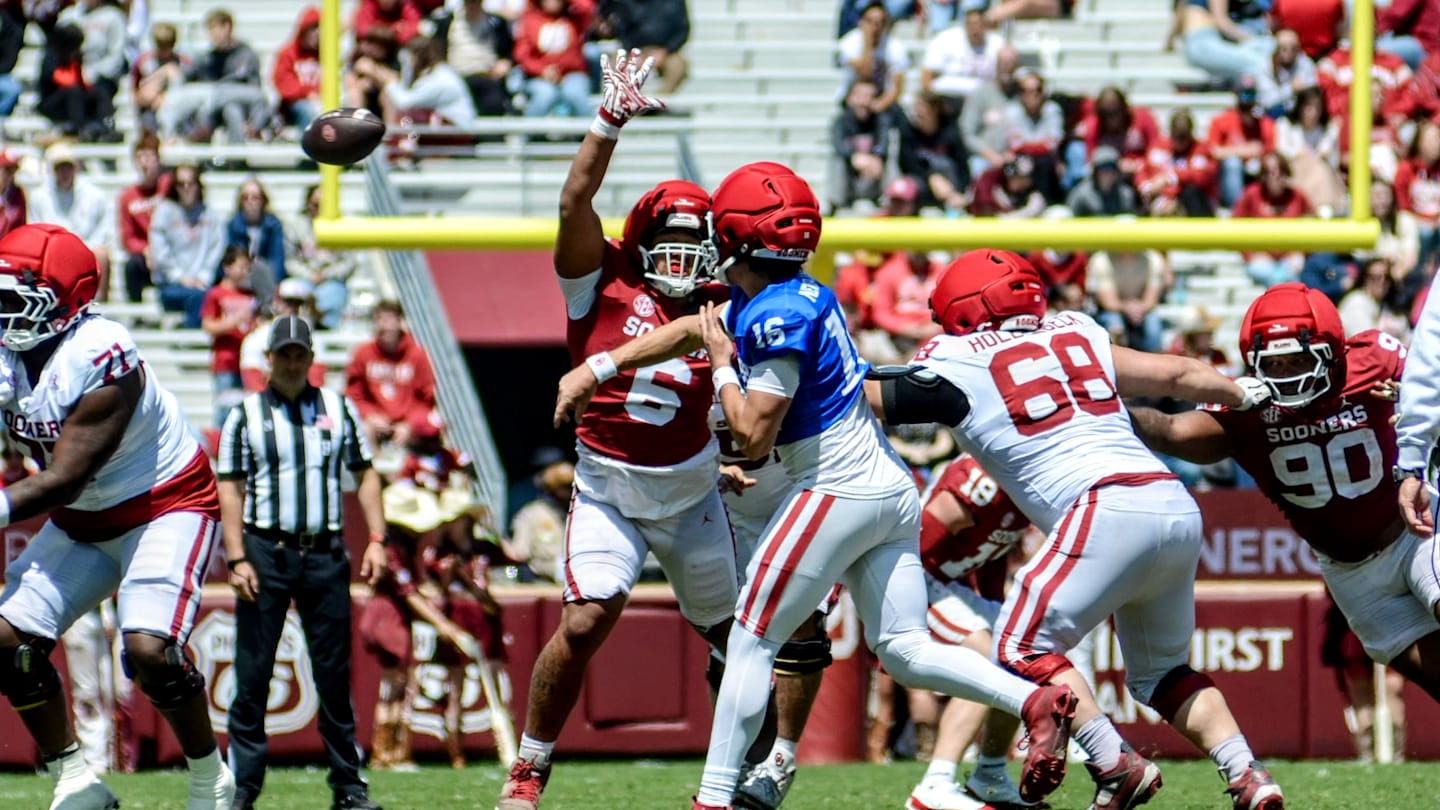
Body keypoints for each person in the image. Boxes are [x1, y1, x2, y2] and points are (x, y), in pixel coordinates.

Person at [553, 162, 1080, 810]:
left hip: (836, 485)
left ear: (737, 235)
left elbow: (752, 437)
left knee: (749, 636)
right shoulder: (788, 293)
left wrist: (721, 369)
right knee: (908, 651)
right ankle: (1033, 699)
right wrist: (600, 366)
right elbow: (696, 327)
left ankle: (712, 800)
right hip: (887, 487)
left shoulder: (775, 315)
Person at [875, 249, 1281, 810]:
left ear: (964, 310)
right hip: (1172, 503)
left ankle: (1114, 763)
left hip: (1101, 505)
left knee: (1013, 645)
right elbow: (1179, 373)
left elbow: (865, 395)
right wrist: (1244, 394)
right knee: (1163, 673)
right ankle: (1249, 774)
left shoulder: (953, 357)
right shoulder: (1077, 331)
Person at [494, 50, 742, 810]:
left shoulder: (726, 304)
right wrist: (608, 122)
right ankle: (530, 767)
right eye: (667, 235)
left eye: (694, 240)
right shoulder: (600, 281)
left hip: (695, 491)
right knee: (584, 619)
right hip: (607, 488)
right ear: (638, 236)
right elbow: (574, 201)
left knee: (738, 643)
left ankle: (742, 779)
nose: (682, 253)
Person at [1131, 284, 1440, 729]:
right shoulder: (1244, 406)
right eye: (1273, 363)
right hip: (1350, 575)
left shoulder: (1375, 360)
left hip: (1415, 531)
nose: (1287, 374)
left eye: (1297, 359)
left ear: (1330, 350)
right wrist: (1103, 409)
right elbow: (1170, 430)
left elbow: (1428, 390)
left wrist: (1419, 409)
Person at [0, 223, 235, 810]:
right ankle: (77, 780)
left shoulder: (100, 352)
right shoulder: (12, 354)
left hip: (162, 506)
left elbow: (66, 476)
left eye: (12, 300)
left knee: (151, 652)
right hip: (86, 520)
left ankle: (212, 777)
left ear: (61, 303)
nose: (2, 313)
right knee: (7, 640)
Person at [217, 315, 389, 810]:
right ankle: (242, 790)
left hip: (324, 553)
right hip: (265, 552)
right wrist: (235, 556)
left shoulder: (338, 408)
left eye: (300, 354)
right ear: (268, 359)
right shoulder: (245, 414)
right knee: (252, 674)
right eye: (284, 354)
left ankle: (349, 789)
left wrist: (377, 537)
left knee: (334, 676)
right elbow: (230, 487)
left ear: (311, 360)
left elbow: (366, 473)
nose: (292, 363)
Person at [906, 454, 1036, 810]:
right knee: (992, 662)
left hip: (952, 584)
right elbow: (914, 544)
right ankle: (935, 783)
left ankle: (989, 775)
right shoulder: (984, 475)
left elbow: (994, 550)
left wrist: (998, 610)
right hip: (918, 578)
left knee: (1020, 657)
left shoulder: (1026, 482)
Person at [343, 299, 438, 458]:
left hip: (408, 425)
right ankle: (375, 474)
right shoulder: (363, 353)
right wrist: (371, 415)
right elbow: (354, 394)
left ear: (400, 321)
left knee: (429, 427)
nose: (383, 325)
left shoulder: (417, 355)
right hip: (375, 423)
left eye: (388, 319)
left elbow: (426, 398)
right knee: (361, 430)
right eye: (378, 319)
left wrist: (409, 425)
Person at [28, 142, 113, 303]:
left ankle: (99, 303)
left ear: (75, 168)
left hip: (86, 248)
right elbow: (36, 231)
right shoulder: (39, 197)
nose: (64, 172)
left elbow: (102, 231)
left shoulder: (95, 196)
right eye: (59, 168)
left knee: (102, 254)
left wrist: (79, 250)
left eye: (67, 167)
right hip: (52, 252)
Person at [116, 133, 170, 303]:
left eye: (149, 156)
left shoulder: (169, 187)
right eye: (140, 156)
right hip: (145, 257)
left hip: (171, 251)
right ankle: (136, 311)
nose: (145, 162)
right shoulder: (127, 196)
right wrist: (146, 249)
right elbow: (127, 237)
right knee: (131, 266)